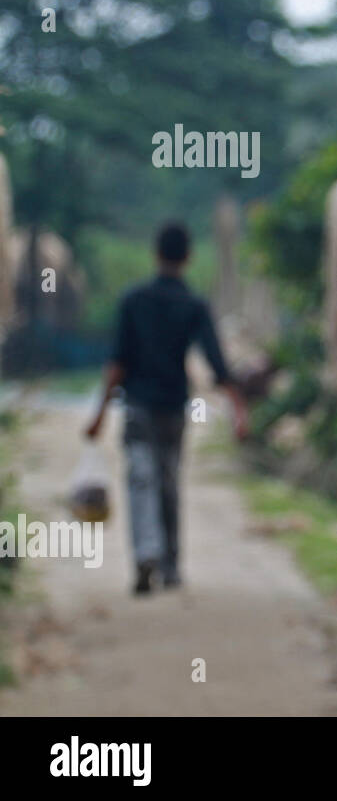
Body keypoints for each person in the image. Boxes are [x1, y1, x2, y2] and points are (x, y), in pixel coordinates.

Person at [84, 221, 249, 595]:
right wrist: (239, 412)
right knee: (169, 481)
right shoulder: (194, 305)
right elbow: (218, 365)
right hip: (174, 406)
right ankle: (171, 565)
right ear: (188, 257)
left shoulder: (133, 300)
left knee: (141, 479)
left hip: (138, 406)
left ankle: (146, 552)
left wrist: (98, 415)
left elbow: (117, 364)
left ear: (155, 253)